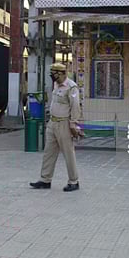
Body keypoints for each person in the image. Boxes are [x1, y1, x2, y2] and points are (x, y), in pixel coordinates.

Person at [30, 62, 85, 192]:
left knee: (68, 153)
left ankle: (73, 181)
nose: (52, 76)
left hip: (64, 123)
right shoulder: (56, 84)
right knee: (48, 152)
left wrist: (73, 123)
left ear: (62, 73)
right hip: (52, 122)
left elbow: (75, 107)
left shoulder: (71, 87)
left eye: (54, 74)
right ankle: (45, 180)